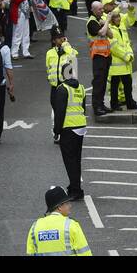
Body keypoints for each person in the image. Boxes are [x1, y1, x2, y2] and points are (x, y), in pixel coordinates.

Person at [51, 61, 87, 200]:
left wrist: (56, 131)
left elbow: (60, 112)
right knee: (76, 159)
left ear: (62, 74)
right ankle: (74, 187)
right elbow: (83, 107)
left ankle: (76, 190)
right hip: (81, 126)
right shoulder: (81, 88)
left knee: (69, 160)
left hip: (68, 127)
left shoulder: (62, 88)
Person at [25, 186, 92, 256]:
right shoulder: (71, 225)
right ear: (59, 207)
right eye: (67, 203)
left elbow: (31, 253)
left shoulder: (35, 226)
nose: (70, 206)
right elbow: (85, 253)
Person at [46, 30, 79, 140]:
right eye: (59, 38)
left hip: (66, 86)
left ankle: (62, 132)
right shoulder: (50, 53)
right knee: (56, 110)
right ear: (54, 40)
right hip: (55, 86)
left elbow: (73, 58)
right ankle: (56, 131)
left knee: (65, 110)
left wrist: (66, 45)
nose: (61, 39)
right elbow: (48, 68)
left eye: (63, 37)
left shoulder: (69, 51)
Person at [108, 9, 137, 111]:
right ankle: (114, 104)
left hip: (125, 63)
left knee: (128, 84)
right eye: (116, 17)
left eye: (119, 16)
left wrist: (130, 54)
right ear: (111, 19)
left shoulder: (122, 28)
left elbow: (127, 43)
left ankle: (129, 103)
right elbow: (114, 47)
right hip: (117, 63)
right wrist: (126, 56)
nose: (118, 19)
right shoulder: (110, 29)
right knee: (115, 85)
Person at [86, 6, 113, 116]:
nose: (102, 11)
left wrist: (105, 23)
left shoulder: (100, 21)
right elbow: (101, 33)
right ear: (93, 10)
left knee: (103, 82)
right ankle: (97, 107)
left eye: (102, 9)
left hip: (105, 56)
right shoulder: (91, 22)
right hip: (98, 56)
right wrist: (106, 21)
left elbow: (111, 35)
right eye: (99, 9)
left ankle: (101, 104)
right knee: (98, 82)